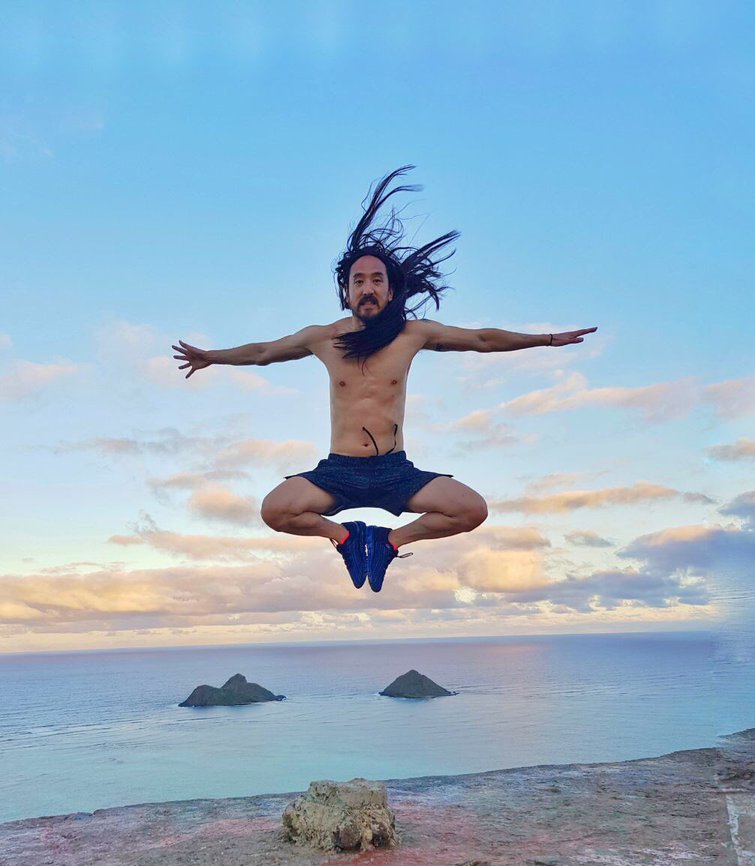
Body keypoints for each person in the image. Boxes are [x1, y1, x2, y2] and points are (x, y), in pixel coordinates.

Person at [173, 166, 597, 592]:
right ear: (347, 292)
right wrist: (212, 357)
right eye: (359, 281)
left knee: (471, 510)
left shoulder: (413, 335)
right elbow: (264, 352)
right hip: (339, 470)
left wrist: (544, 339)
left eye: (377, 280)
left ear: (391, 291)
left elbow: (482, 339)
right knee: (275, 510)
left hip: (394, 470)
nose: (368, 288)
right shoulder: (323, 338)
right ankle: (347, 538)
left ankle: (387, 543)